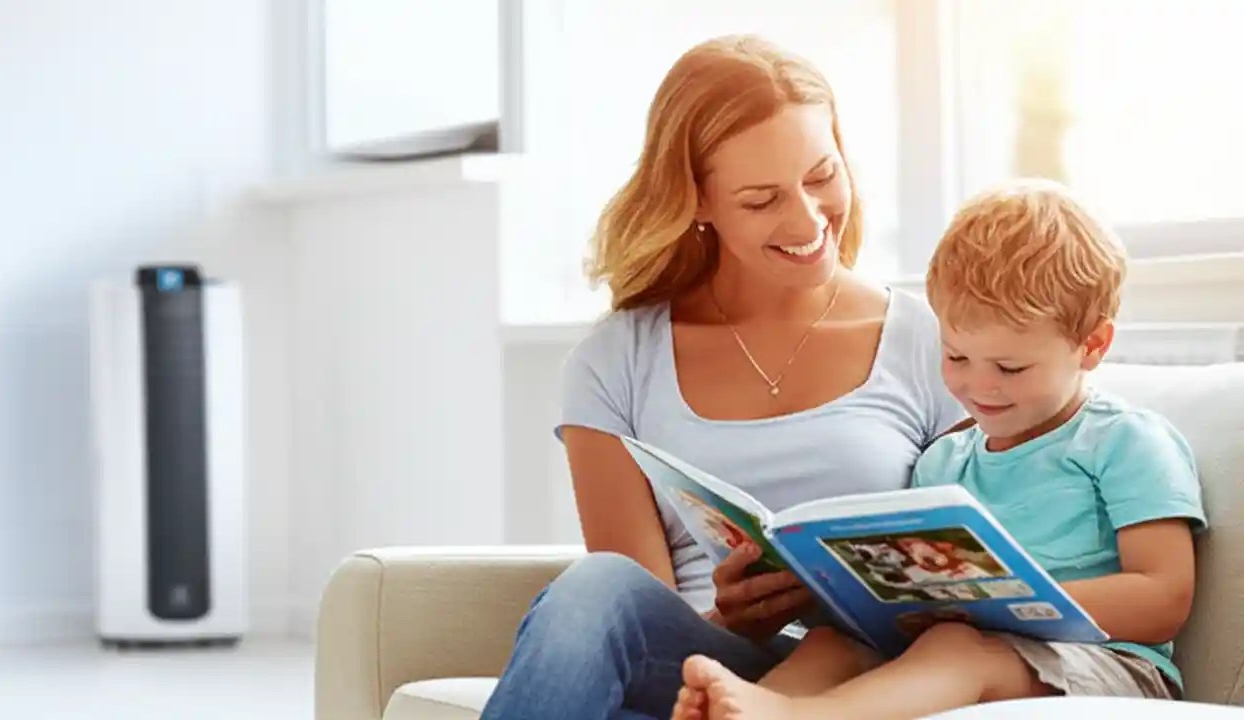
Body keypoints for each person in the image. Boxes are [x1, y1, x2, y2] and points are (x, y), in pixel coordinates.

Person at [479, 34, 967, 720]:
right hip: (705, 659)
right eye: (762, 198)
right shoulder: (615, 362)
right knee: (596, 588)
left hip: (864, 675)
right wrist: (730, 620)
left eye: (822, 175)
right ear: (698, 202)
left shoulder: (932, 344)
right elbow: (632, 601)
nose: (806, 218)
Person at [673, 180, 1208, 720]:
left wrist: (1004, 610)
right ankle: (750, 708)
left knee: (954, 648)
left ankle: (796, 717)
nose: (980, 386)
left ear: (1091, 345)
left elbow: (1164, 598)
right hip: (964, 646)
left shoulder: (1125, 440)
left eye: (1010, 367)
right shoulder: (943, 462)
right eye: (956, 357)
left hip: (1103, 666)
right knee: (836, 643)